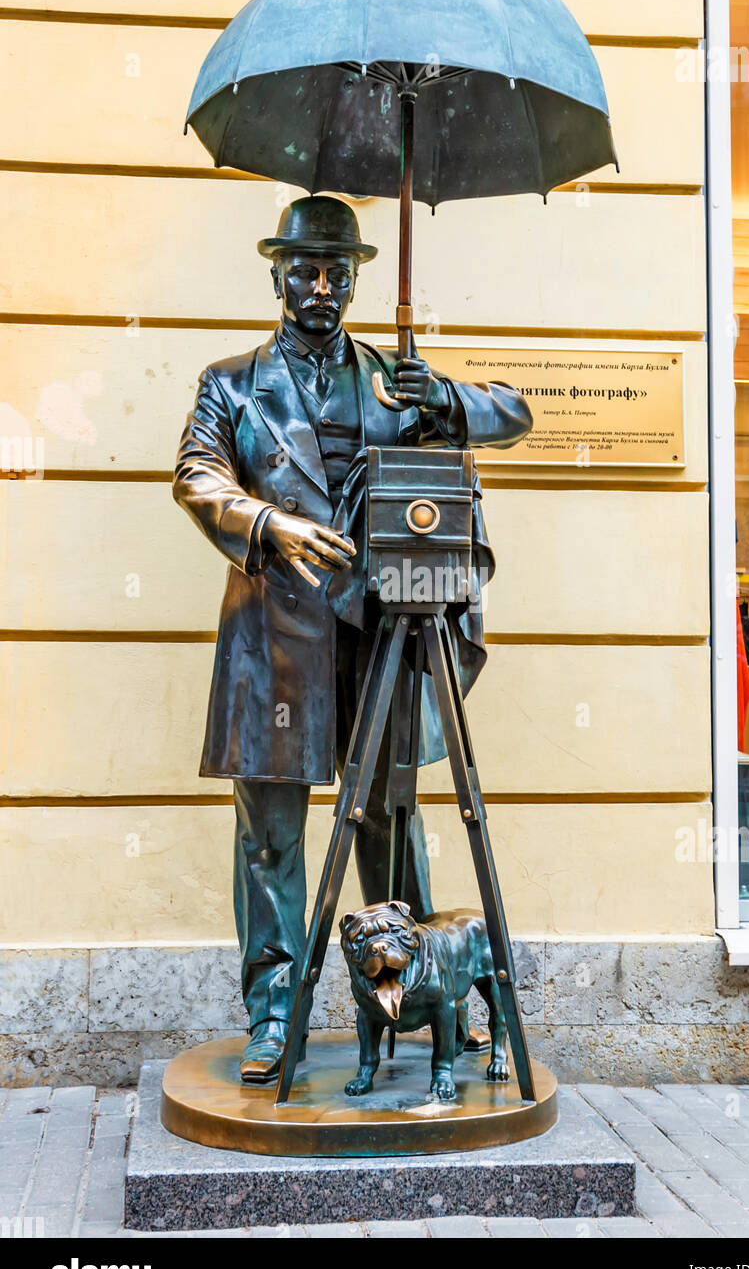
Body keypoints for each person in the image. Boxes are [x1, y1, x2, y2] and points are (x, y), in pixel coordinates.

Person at [173, 195, 532, 1080]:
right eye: (306, 271)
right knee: (270, 840)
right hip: (275, 639)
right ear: (277, 275)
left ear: (358, 280)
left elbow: (514, 415)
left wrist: (442, 397)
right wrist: (265, 523)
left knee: (391, 827)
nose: (322, 287)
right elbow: (195, 473)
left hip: (377, 636)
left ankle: (421, 999)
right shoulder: (230, 383)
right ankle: (273, 1017)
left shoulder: (392, 380)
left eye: (339, 272)